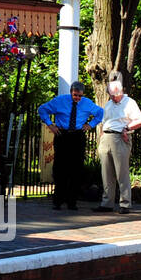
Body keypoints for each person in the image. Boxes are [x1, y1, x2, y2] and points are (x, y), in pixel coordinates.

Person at [38, 81, 104, 210]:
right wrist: (50, 124)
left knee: (76, 169)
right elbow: (42, 109)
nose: (77, 98)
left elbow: (100, 112)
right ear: (71, 92)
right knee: (60, 168)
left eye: (80, 96)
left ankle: (72, 201)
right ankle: (58, 200)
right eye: (75, 95)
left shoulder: (87, 103)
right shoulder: (60, 101)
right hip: (62, 135)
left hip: (77, 136)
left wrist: (90, 125)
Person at [96, 79, 141, 214]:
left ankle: (125, 203)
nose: (112, 97)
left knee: (121, 172)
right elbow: (104, 122)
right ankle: (107, 203)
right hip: (106, 137)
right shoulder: (108, 104)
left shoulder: (130, 103)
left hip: (120, 137)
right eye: (111, 95)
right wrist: (101, 138)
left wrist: (127, 128)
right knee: (106, 173)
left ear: (120, 92)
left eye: (114, 95)